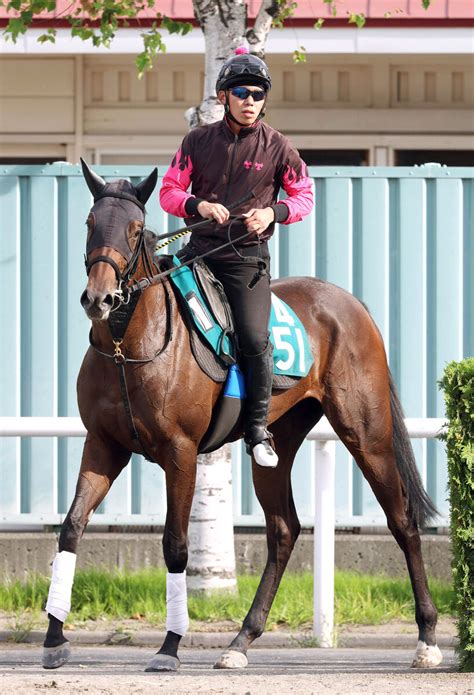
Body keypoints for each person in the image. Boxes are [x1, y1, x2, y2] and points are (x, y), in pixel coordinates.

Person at [159, 47, 314, 468]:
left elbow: (305, 197)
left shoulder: (279, 147)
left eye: (258, 93)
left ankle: (258, 431)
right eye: (242, 92)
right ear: (223, 96)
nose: (250, 100)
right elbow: (169, 191)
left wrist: (273, 212)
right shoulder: (196, 141)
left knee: (253, 338)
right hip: (196, 253)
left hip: (246, 261)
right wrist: (198, 207)